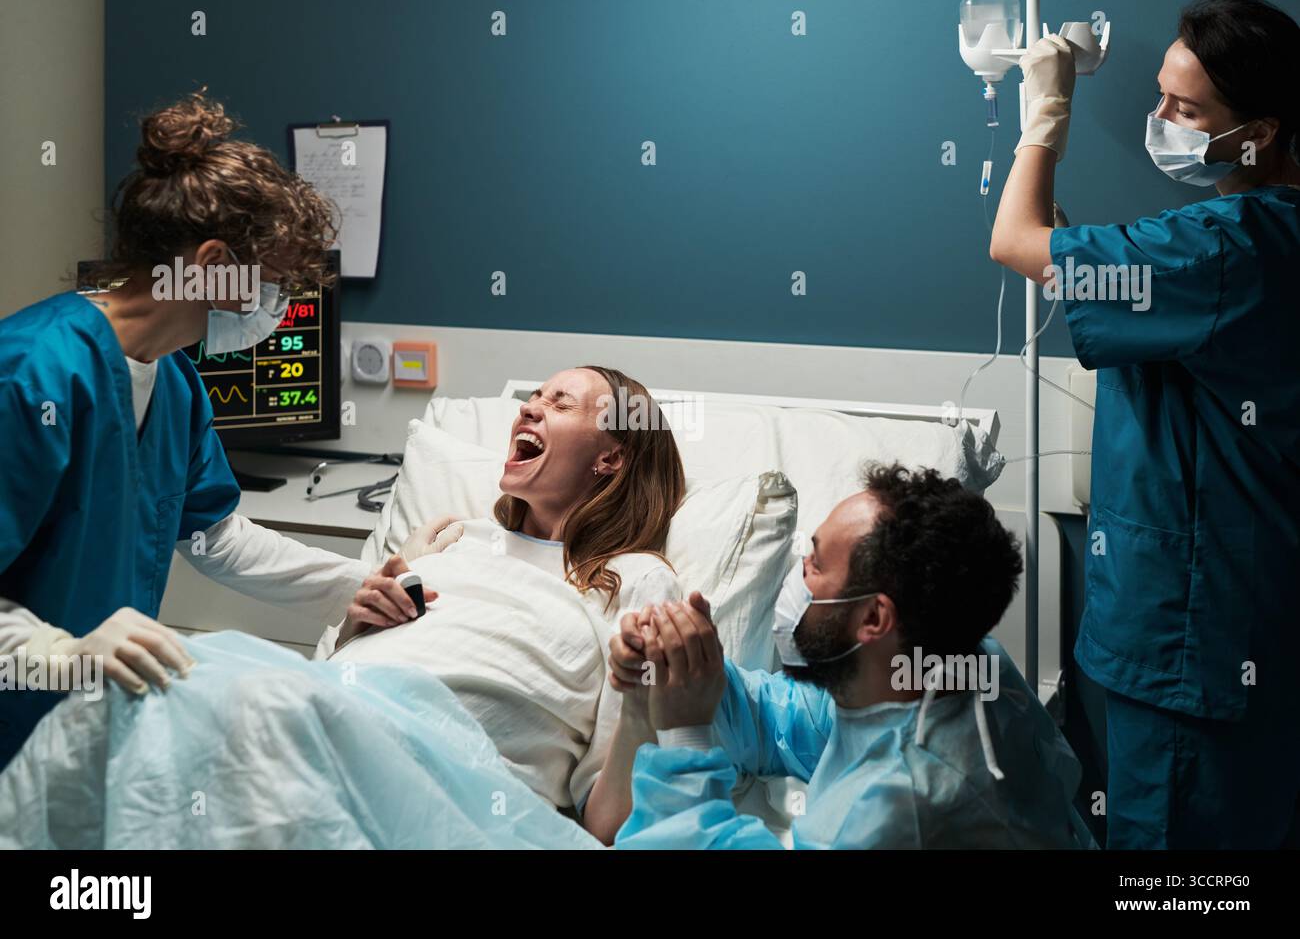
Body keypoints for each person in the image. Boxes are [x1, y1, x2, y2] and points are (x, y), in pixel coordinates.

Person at [990, 0, 1300, 847]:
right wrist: (1081, 261)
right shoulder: (1258, 241)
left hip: (1186, 647)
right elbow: (1147, 302)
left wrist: (1045, 114)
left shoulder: (1219, 247)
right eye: (1161, 95)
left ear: (1262, 130)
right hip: (1245, 626)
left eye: (1185, 108)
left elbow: (1013, 241)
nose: (1158, 118)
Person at [0, 92, 371, 768]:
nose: (279, 303)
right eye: (275, 279)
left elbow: (213, 535)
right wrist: (57, 654)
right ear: (209, 264)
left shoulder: (171, 384)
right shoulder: (33, 373)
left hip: (85, 725)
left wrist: (357, 585)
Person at [608, 464, 1092, 849]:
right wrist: (692, 665)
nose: (798, 574)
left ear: (874, 620)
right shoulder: (946, 664)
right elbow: (786, 722)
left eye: (815, 564)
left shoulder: (898, 809)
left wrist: (685, 736)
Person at [315, 366, 687, 844]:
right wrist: (360, 614)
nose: (529, 409)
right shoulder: (454, 539)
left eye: (561, 403)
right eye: (533, 397)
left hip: (440, 788)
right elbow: (340, 659)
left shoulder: (637, 580)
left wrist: (640, 708)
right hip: (322, 716)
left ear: (611, 458)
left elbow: (607, 823)